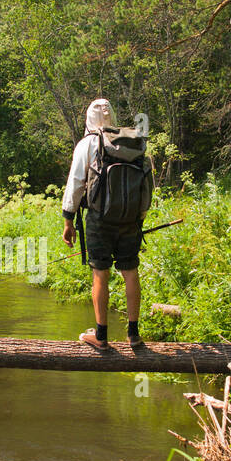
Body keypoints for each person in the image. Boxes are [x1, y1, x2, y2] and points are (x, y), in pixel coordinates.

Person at [61, 98, 144, 350]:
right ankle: (133, 335)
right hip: (131, 218)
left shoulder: (88, 143)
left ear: (88, 119)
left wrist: (68, 220)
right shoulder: (131, 141)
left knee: (100, 272)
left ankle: (101, 336)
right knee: (130, 270)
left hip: (99, 218)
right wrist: (139, 217)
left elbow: (76, 184)